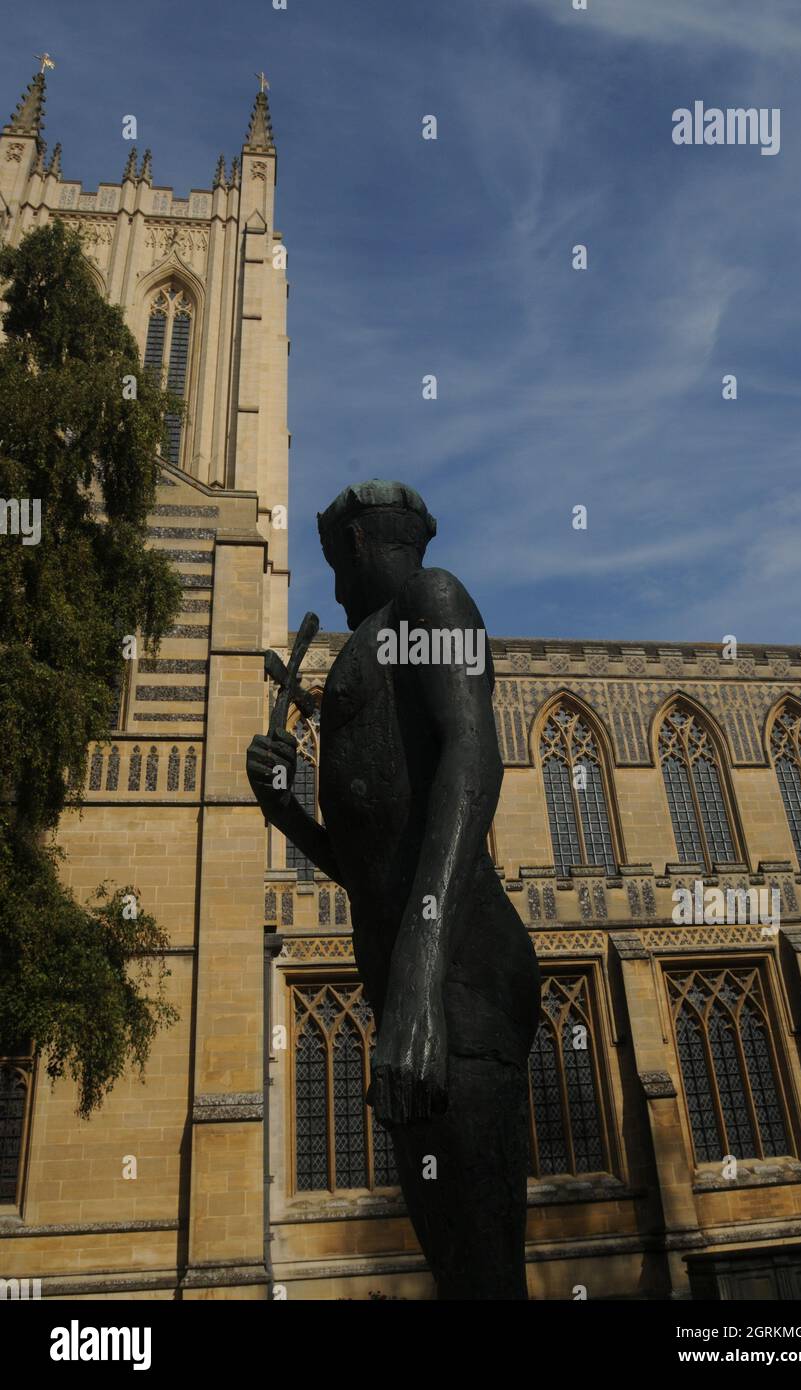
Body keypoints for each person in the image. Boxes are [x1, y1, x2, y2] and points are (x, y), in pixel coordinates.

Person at [246, 479, 540, 1299]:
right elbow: (369, 864)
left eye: (334, 563)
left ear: (358, 546)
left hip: (460, 973)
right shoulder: (370, 638)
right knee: (456, 1267)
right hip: (412, 978)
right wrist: (287, 813)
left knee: (483, 1273)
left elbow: (473, 758)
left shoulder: (431, 600)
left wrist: (417, 984)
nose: (331, 585)